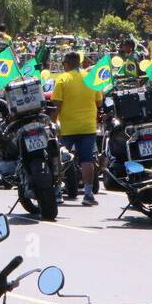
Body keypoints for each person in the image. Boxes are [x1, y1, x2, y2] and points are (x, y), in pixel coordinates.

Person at [48, 51, 103, 206]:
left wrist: (52, 123)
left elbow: (56, 105)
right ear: (79, 62)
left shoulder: (62, 79)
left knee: (59, 159)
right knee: (87, 160)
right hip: (88, 126)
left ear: (66, 64)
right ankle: (88, 194)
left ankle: (58, 193)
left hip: (67, 127)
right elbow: (99, 102)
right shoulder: (91, 78)